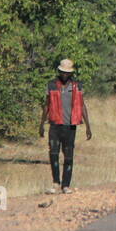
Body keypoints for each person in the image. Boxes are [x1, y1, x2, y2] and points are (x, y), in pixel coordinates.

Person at [38, 59, 92, 194]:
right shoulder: (52, 85)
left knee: (68, 156)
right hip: (55, 125)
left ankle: (66, 185)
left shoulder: (77, 86)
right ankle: (56, 183)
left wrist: (88, 126)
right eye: (62, 72)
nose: (64, 75)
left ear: (71, 73)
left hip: (70, 125)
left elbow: (82, 105)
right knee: (54, 153)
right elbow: (46, 105)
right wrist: (41, 124)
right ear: (59, 71)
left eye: (67, 73)